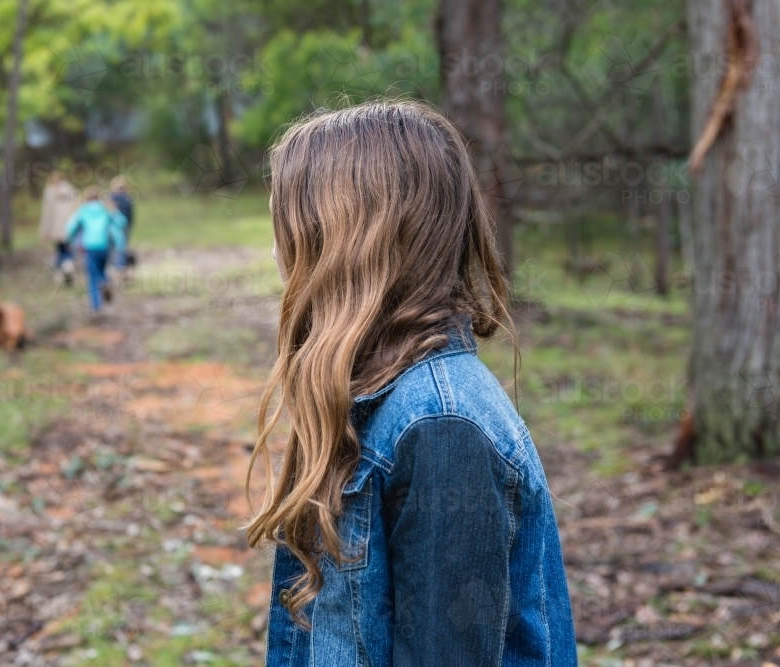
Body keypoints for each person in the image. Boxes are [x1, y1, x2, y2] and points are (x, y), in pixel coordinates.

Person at [247, 101, 577, 667]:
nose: (278, 252)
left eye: (291, 230)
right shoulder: (382, 401)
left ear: (349, 243)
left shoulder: (439, 428)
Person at [64, 186, 127, 312]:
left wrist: (69, 240)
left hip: (90, 247)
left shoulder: (83, 210)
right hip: (105, 247)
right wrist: (113, 209)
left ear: (86, 198)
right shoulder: (105, 209)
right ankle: (106, 282)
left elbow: (71, 228)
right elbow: (122, 222)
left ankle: (96, 306)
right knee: (101, 270)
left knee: (92, 276)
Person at [39, 171, 79, 284]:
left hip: (56, 228)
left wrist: (45, 231)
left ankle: (61, 272)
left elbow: (47, 214)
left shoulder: (49, 193)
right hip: (70, 226)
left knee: (59, 249)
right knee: (68, 248)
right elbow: (77, 208)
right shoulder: (71, 191)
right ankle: (68, 266)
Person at [108, 176, 133, 271]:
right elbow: (130, 215)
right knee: (121, 247)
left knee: (114, 248)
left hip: (114, 227)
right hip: (122, 226)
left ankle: (116, 266)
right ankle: (120, 267)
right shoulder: (127, 198)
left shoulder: (110, 197)